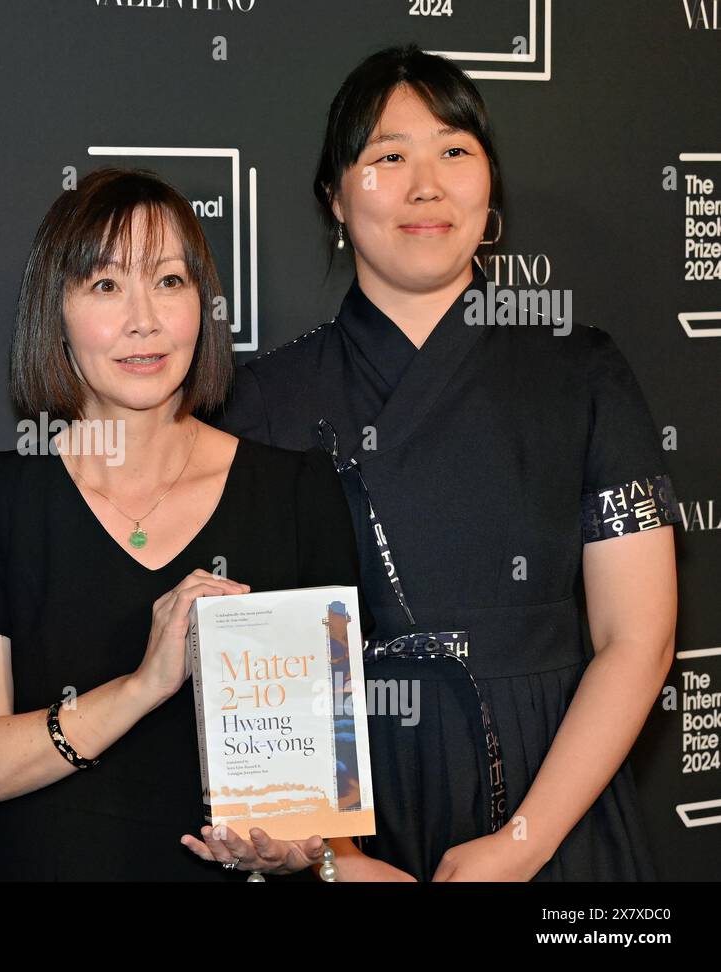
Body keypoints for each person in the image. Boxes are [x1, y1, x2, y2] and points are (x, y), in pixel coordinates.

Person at [216, 45, 678, 881]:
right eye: (388, 157)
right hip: (358, 824)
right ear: (335, 196)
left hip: (557, 804)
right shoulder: (266, 401)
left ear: (490, 185)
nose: (426, 184)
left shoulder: (583, 371)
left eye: (454, 151)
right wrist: (336, 860)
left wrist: (521, 844)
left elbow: (637, 637)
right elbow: (260, 678)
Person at [0, 167, 364, 881]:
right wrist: (145, 682)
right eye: (105, 285)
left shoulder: (297, 493)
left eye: (168, 281)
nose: (144, 320)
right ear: (56, 312)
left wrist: (304, 850)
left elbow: (319, 799)